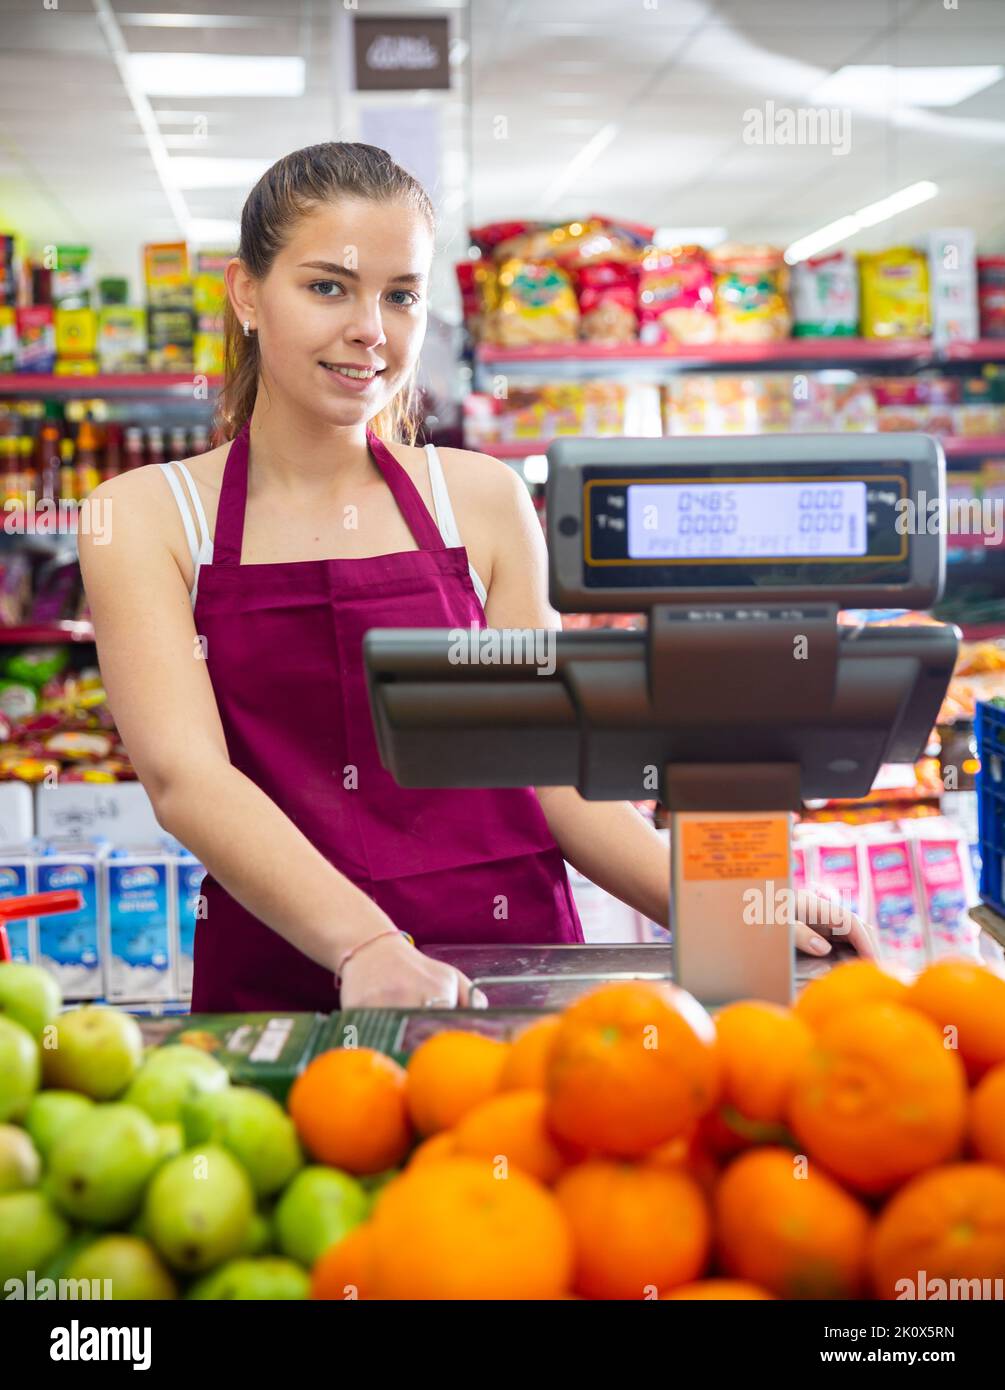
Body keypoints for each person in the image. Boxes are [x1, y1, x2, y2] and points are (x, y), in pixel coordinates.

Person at [79, 142, 874, 1013]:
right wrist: (368, 947)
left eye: (401, 295)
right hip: (287, 974)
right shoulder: (148, 517)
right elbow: (187, 779)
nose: (370, 330)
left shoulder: (481, 500)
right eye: (327, 287)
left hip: (513, 969)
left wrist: (730, 904)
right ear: (246, 294)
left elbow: (554, 773)